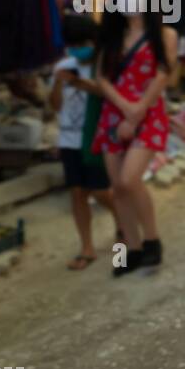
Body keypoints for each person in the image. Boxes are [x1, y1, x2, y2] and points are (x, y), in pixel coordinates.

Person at [93, 0, 179, 277]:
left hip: (149, 113)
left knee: (130, 179)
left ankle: (152, 239)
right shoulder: (111, 36)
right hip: (113, 114)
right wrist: (125, 109)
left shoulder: (166, 34)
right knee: (117, 186)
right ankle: (132, 248)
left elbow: (163, 73)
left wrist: (137, 111)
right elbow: (101, 78)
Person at [50, 15, 116, 270]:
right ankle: (86, 247)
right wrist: (58, 82)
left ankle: (121, 221)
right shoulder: (64, 66)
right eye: (73, 44)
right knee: (77, 192)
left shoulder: (104, 64)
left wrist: (77, 81)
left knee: (101, 191)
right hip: (69, 138)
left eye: (83, 43)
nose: (78, 49)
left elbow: (105, 92)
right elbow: (54, 106)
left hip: (96, 136)